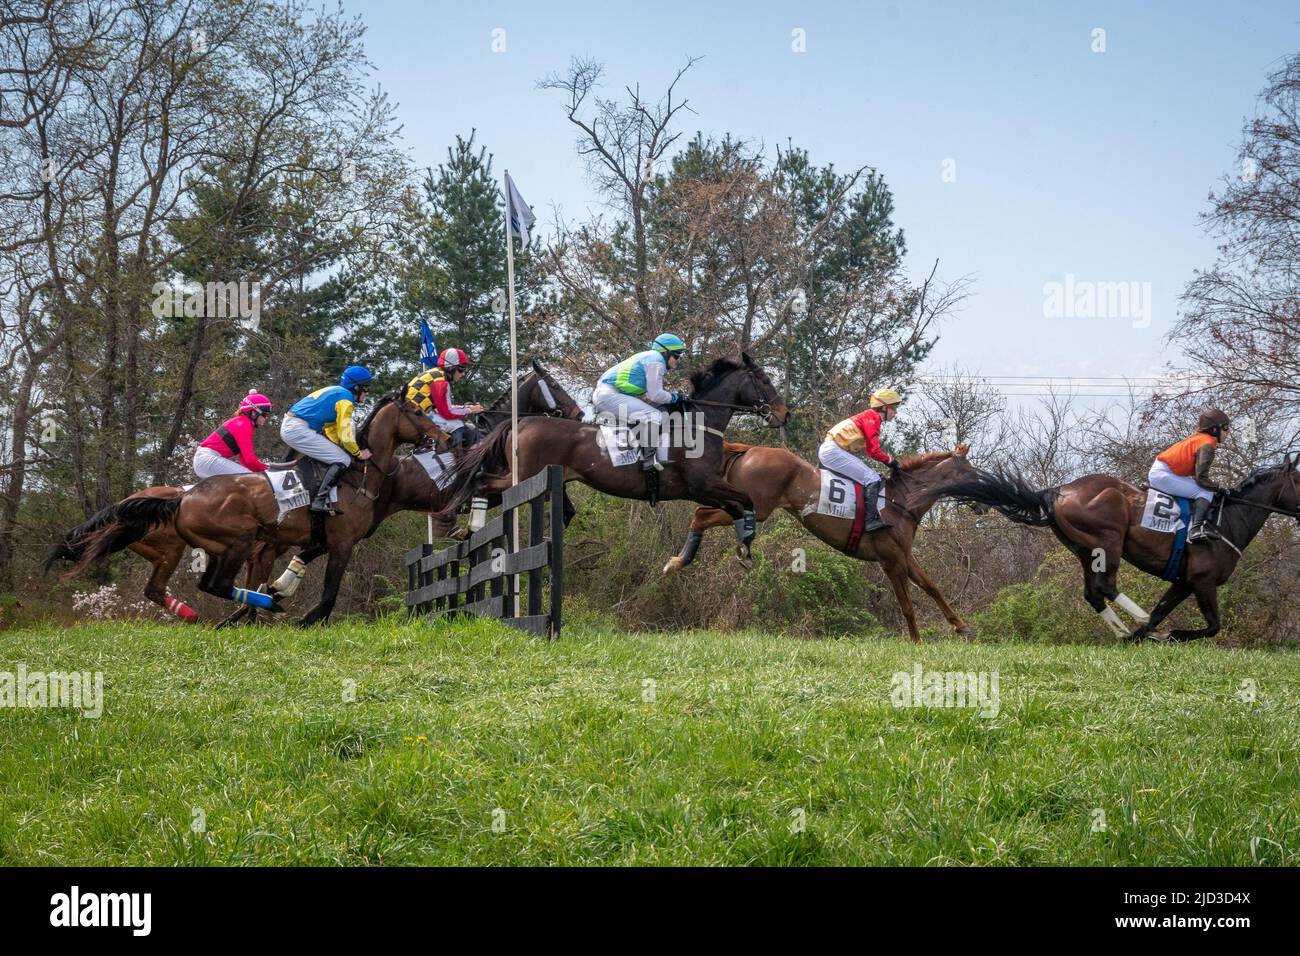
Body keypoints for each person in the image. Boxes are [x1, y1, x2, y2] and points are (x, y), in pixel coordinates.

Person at [281, 366, 373, 514]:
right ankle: (319, 501)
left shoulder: (337, 392)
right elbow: (345, 434)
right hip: (297, 429)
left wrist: (341, 446)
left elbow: (332, 429)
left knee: (339, 454)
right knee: (344, 460)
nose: (367, 392)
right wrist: (357, 453)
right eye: (366, 388)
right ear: (356, 387)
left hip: (294, 427)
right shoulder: (346, 400)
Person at [592, 333, 687, 471]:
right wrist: (676, 397)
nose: (677, 360)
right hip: (608, 395)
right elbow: (656, 395)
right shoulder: (656, 360)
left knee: (646, 415)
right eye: (676, 356)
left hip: (607, 394)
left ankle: (635, 453)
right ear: (666, 353)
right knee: (654, 415)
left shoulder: (650, 358)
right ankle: (649, 460)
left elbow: (650, 393)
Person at [818, 387, 903, 532]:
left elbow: (871, 452)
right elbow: (874, 451)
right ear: (884, 407)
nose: (895, 413)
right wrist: (890, 461)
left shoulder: (869, 416)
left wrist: (887, 461)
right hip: (833, 451)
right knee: (872, 478)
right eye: (893, 408)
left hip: (832, 450)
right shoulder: (873, 418)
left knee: (871, 476)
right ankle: (870, 520)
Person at [1148, 408, 1231, 542]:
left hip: (1163, 471)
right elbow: (1201, 479)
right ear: (1215, 429)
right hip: (1163, 474)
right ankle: (1195, 529)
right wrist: (1218, 488)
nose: (1228, 433)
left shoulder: (1199, 438)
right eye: (1225, 428)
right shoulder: (1208, 443)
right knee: (1205, 492)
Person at [406, 348, 484, 449]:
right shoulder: (441, 382)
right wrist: (470, 410)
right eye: (461, 369)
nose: (463, 374)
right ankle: (457, 460)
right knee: (457, 424)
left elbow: (442, 408)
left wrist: (467, 407)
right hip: (414, 417)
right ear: (451, 367)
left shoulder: (436, 374)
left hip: (413, 414)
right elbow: (447, 413)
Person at [193, 391, 272, 480]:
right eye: (264, 414)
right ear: (254, 413)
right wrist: (269, 472)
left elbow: (245, 461)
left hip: (204, 460)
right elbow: (250, 461)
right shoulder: (244, 425)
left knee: (248, 479)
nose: (266, 418)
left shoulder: (241, 422)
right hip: (207, 459)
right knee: (252, 479)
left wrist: (264, 469)